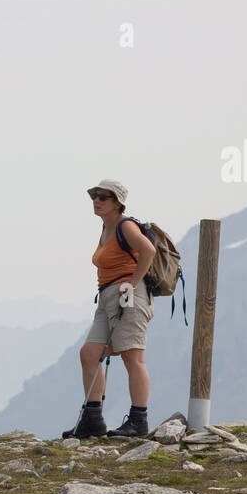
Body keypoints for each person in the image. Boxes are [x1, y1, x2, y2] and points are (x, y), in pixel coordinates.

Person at [64, 179, 157, 438]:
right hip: (107, 298)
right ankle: (93, 419)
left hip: (129, 296)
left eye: (104, 197)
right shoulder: (106, 229)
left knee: (132, 357)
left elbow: (148, 250)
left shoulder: (125, 226)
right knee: (89, 353)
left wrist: (133, 282)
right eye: (95, 195)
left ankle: (139, 420)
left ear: (118, 203)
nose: (97, 200)